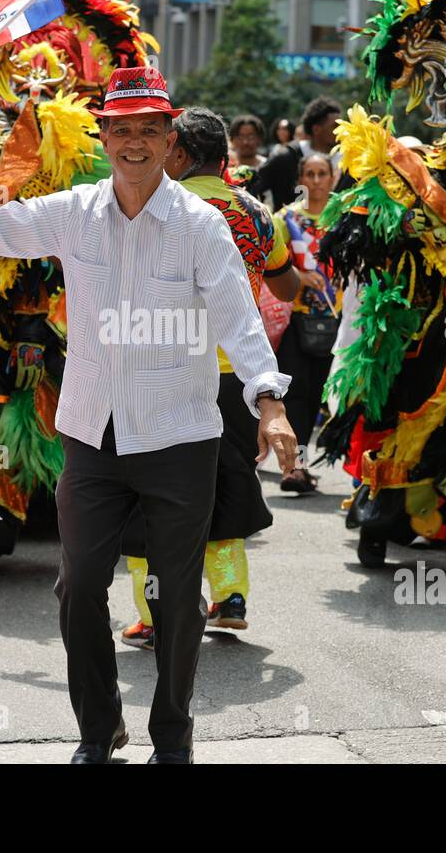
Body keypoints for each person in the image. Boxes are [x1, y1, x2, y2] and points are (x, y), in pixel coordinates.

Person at [0, 65, 298, 765]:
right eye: (122, 131)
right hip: (91, 435)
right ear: (105, 137)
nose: (136, 144)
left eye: (150, 130)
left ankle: (172, 737)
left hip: (180, 436)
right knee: (77, 584)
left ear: (172, 141)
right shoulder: (75, 211)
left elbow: (240, 322)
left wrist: (270, 406)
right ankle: (100, 729)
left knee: (177, 597)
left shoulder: (203, 227)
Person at [119, 106, 300, 650]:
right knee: (226, 486)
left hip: (166, 370)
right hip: (238, 377)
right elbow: (287, 285)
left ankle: (154, 613)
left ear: (178, 153)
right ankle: (230, 598)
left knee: (145, 495)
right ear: (224, 156)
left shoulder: (163, 206)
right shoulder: (255, 211)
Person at [275, 152, 340, 494]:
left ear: (333, 177)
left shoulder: (347, 217)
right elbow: (270, 258)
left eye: (322, 174)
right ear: (302, 178)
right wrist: (298, 275)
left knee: (323, 399)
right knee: (297, 399)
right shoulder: (286, 219)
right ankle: (294, 468)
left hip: (340, 323)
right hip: (298, 323)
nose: (316, 181)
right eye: (310, 174)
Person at [248, 96, 342, 210]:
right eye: (336, 126)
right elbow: (251, 189)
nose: (342, 130)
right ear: (316, 129)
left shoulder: (347, 162)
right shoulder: (284, 158)